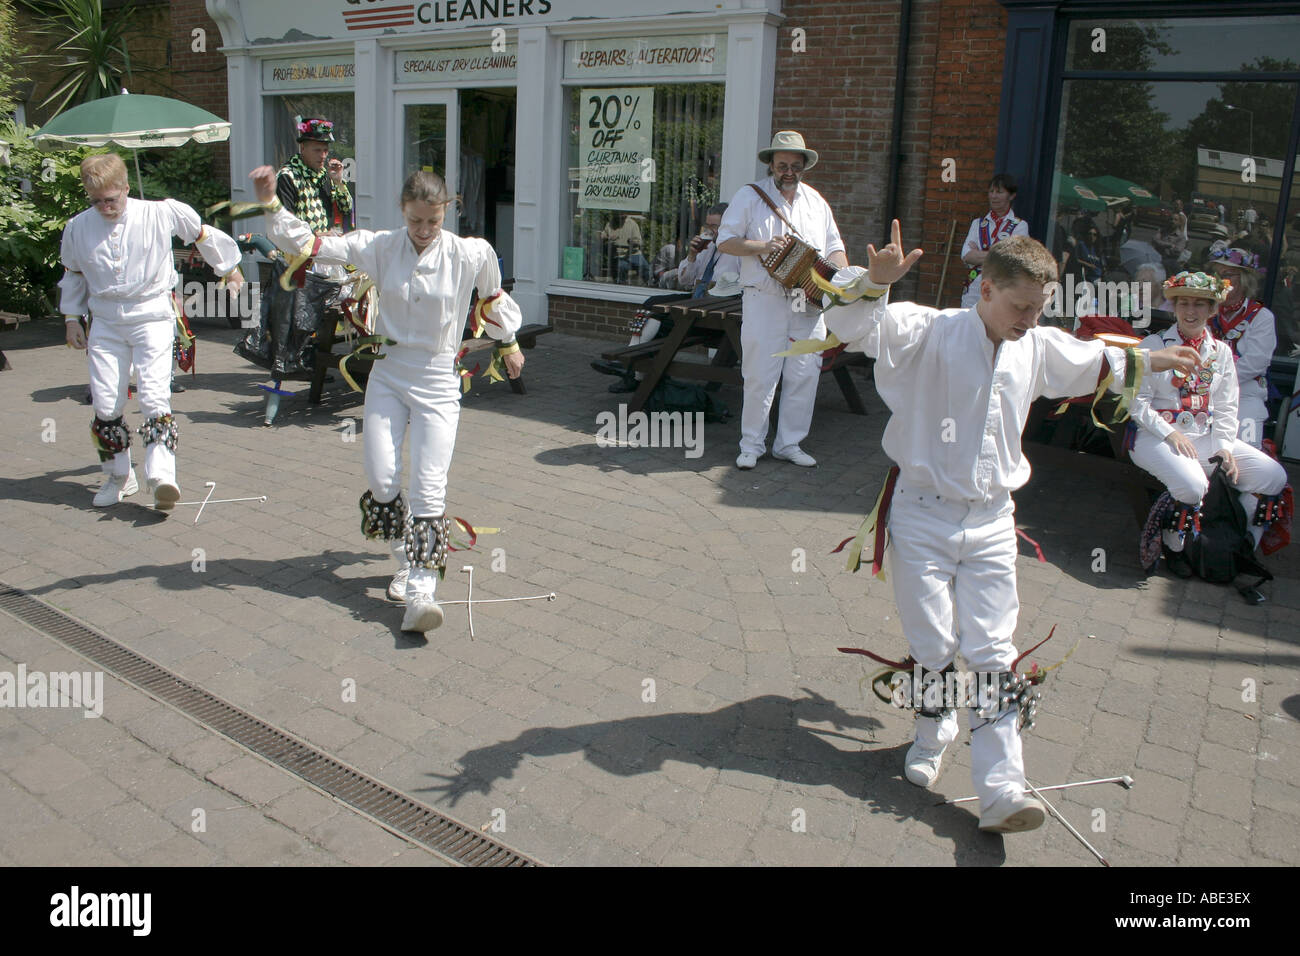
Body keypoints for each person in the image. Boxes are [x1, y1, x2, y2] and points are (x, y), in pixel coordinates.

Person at [819, 226, 1198, 832]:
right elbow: (855, 329)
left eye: (1040, 308)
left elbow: (1091, 359)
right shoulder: (928, 329)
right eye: (1021, 305)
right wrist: (874, 284)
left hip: (994, 517)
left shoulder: (1036, 345)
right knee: (933, 641)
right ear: (986, 288)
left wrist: (1149, 357)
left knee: (993, 648)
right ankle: (934, 725)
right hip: (921, 512)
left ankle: (1001, 787)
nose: (1029, 318)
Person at [249, 163, 524, 633]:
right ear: (403, 211)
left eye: (433, 222)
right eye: (416, 220)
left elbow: (492, 300)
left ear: (446, 213)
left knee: (429, 485)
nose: (423, 231)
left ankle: (422, 590)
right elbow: (311, 246)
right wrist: (270, 204)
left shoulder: (471, 253)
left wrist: (510, 343)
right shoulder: (379, 247)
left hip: (439, 376)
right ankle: (402, 555)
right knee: (382, 479)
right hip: (389, 374)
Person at [61, 154, 243, 510]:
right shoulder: (78, 227)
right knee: (105, 400)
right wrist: (71, 318)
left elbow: (202, 234)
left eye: (111, 199)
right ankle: (118, 475)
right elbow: (74, 274)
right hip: (106, 320)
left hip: (153, 315)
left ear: (127, 188)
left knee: (154, 395)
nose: (105, 207)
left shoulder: (160, 213)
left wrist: (230, 270)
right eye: (96, 201)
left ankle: (162, 474)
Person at [1127, 271, 1288, 576]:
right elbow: (1136, 402)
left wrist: (1225, 447)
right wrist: (1170, 433)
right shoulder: (1155, 343)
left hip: (1204, 435)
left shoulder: (1221, 352)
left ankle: (1242, 548)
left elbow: (1227, 405)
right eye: (1183, 303)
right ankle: (1175, 549)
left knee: (1273, 477)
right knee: (1193, 484)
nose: (1190, 311)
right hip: (1154, 436)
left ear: (1213, 310)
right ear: (1173, 307)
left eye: (1200, 305)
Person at [717, 130, 847, 470]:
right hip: (765, 298)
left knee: (804, 373)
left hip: (808, 300)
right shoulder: (749, 197)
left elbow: (835, 247)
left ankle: (789, 444)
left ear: (804, 167)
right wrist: (762, 247)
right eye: (782, 165)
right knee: (760, 373)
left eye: (795, 165)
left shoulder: (817, 201)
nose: (788, 171)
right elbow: (725, 242)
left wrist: (840, 277)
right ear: (771, 165)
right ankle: (752, 445)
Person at [1203, 249, 1278, 448]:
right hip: (1202, 393)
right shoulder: (1203, 312)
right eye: (1217, 275)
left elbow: (1256, 363)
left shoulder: (1262, 317)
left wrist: (1214, 380)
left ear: (1244, 280)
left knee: (1247, 449)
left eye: (1227, 275)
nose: (1220, 280)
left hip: (1244, 395)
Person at [959, 173, 1029, 308]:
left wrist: (978, 254)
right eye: (991, 191)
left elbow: (1013, 260)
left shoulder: (1020, 226)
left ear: (1012, 195)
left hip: (1001, 291)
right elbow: (966, 255)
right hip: (973, 291)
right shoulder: (977, 223)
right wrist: (999, 254)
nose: (994, 196)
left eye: (999, 192)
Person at [677, 203, 739, 298]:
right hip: (698, 299)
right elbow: (684, 281)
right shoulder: (707, 246)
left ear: (727, 226)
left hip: (721, 303)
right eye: (707, 226)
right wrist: (692, 255)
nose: (709, 231)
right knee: (652, 302)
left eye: (714, 226)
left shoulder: (738, 252)